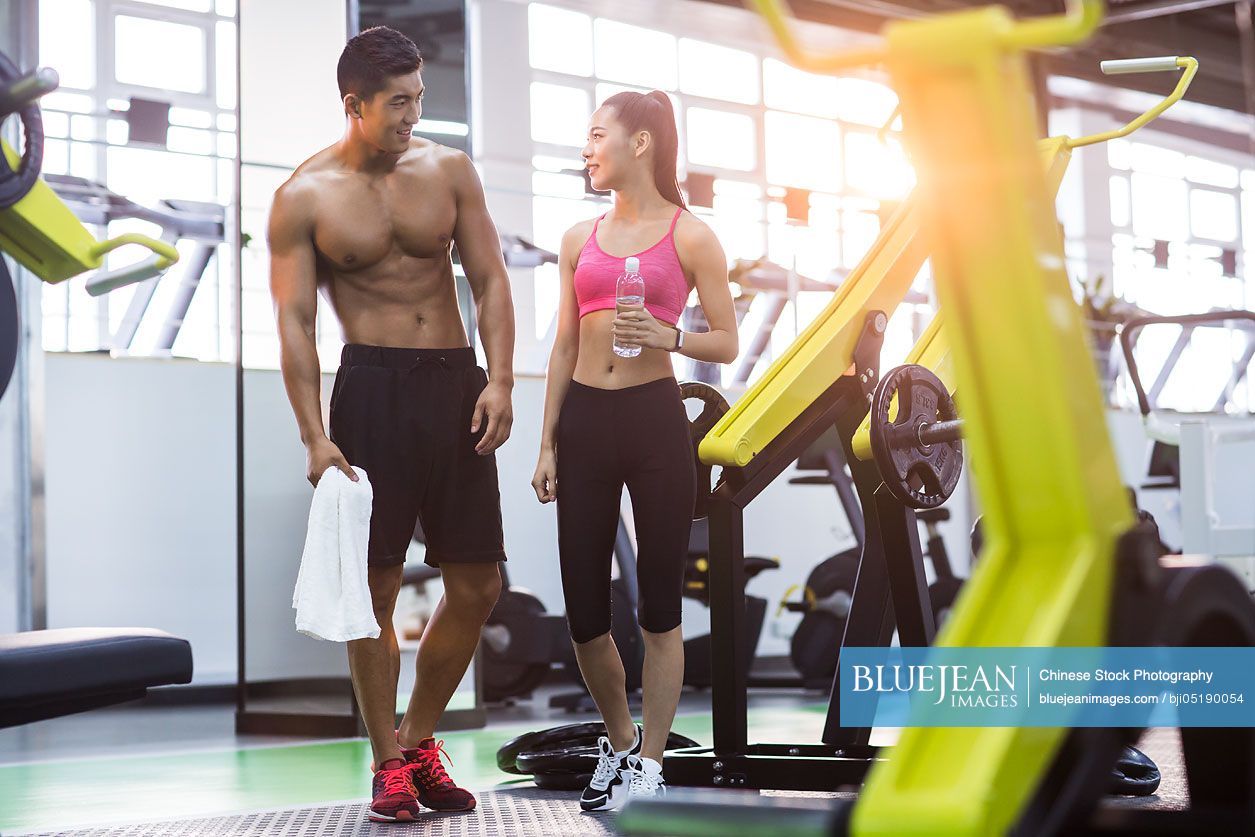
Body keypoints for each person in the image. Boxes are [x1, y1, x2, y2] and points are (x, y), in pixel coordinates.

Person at [268, 26, 515, 823]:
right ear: (355, 105)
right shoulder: (303, 196)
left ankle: (416, 739)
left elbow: (489, 279)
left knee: (478, 583)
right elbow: (296, 324)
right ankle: (388, 766)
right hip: (370, 389)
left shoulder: (447, 170)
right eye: (399, 102)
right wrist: (314, 435)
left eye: (419, 98)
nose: (414, 115)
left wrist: (501, 379)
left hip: (455, 382)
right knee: (372, 590)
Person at [531, 90, 738, 810]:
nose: (586, 150)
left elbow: (727, 339)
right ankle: (618, 742)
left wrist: (671, 336)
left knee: (658, 608)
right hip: (585, 421)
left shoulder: (690, 236)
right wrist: (546, 442)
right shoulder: (574, 238)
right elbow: (562, 347)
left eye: (596, 136)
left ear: (641, 142)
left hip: (653, 422)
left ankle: (649, 762)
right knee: (585, 608)